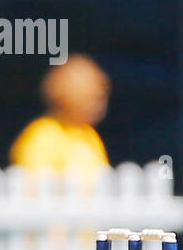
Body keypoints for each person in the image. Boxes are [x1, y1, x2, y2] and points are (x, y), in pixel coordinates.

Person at [9, 54, 111, 183]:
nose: (98, 105)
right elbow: (34, 180)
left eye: (100, 97)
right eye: (90, 98)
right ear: (63, 97)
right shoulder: (43, 135)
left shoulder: (89, 136)